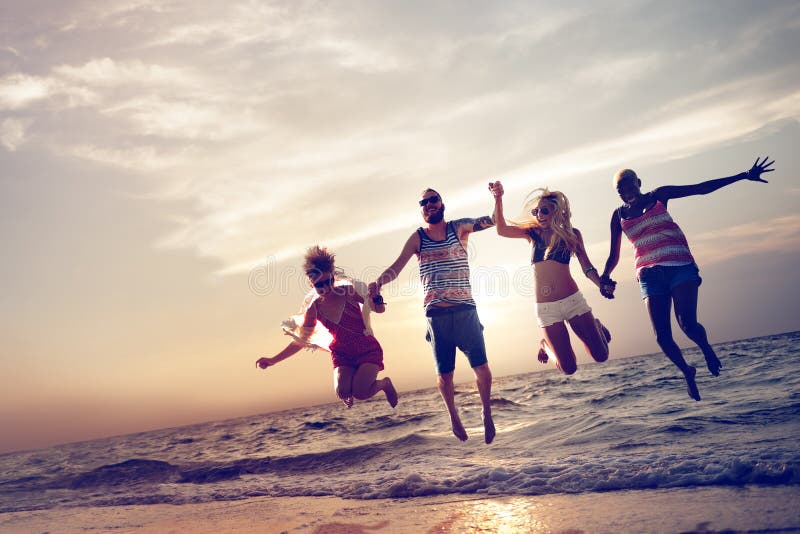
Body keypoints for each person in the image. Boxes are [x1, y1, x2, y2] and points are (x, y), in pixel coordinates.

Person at [600, 157, 774, 401]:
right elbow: (613, 255)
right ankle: (687, 371)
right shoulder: (618, 216)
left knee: (688, 324)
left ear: (639, 182)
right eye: (620, 189)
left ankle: (706, 349)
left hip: (679, 266)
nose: (626, 191)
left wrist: (743, 175)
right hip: (649, 276)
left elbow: (700, 188)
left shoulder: (659, 196)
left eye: (629, 184)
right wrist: (605, 276)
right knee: (662, 337)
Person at [369, 188, 496, 444]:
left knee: (482, 368)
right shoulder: (418, 238)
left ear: (442, 203)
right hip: (436, 316)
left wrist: (498, 198)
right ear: (421, 209)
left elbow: (492, 220)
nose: (429, 204)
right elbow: (397, 266)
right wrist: (378, 282)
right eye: (424, 202)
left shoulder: (459, 228)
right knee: (444, 375)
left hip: (465, 311)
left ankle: (486, 412)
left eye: (433, 199)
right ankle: (453, 416)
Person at [488, 181, 612, 375]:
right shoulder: (533, 234)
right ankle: (545, 346)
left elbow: (586, 267)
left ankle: (596, 324)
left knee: (601, 355)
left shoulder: (572, 234)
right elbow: (501, 230)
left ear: (557, 211)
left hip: (573, 302)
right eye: (536, 212)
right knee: (568, 368)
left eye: (544, 211)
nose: (539, 215)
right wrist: (498, 198)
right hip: (546, 310)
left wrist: (601, 285)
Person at [256, 245, 398, 409]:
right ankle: (346, 389)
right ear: (311, 284)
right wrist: (273, 360)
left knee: (360, 392)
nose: (326, 287)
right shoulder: (314, 309)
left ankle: (385, 384)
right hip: (342, 353)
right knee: (342, 392)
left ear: (333, 277)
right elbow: (301, 341)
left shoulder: (348, 292)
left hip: (365, 348)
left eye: (328, 281)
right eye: (319, 285)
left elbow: (379, 310)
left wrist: (376, 297)